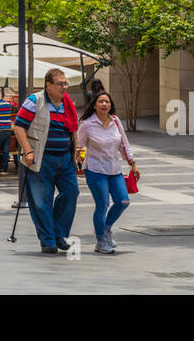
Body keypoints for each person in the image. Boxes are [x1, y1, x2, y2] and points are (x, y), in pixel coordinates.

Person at [12, 68, 80, 254]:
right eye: (60, 83)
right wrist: (27, 150)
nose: (64, 87)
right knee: (42, 202)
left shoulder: (67, 104)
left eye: (65, 83)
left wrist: (77, 150)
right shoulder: (35, 101)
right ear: (48, 85)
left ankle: (59, 233)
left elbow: (72, 130)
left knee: (71, 193)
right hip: (41, 158)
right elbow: (18, 127)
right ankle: (48, 240)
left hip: (65, 159)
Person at [77, 90, 136, 254]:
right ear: (94, 105)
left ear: (111, 105)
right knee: (102, 204)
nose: (104, 104)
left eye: (107, 102)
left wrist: (132, 163)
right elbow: (78, 145)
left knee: (123, 201)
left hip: (114, 169)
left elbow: (124, 144)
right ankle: (101, 241)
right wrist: (76, 158)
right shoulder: (87, 124)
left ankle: (106, 228)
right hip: (95, 170)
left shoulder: (116, 121)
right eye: (101, 101)